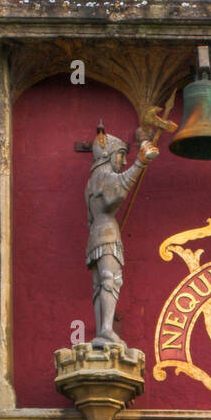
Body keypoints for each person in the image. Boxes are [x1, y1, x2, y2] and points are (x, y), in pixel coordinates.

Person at [85, 126, 158, 348]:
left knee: (102, 284)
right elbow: (115, 193)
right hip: (107, 232)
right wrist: (140, 163)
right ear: (107, 155)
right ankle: (106, 330)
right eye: (121, 155)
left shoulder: (93, 180)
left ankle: (102, 330)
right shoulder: (103, 176)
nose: (124, 161)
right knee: (111, 280)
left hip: (96, 233)